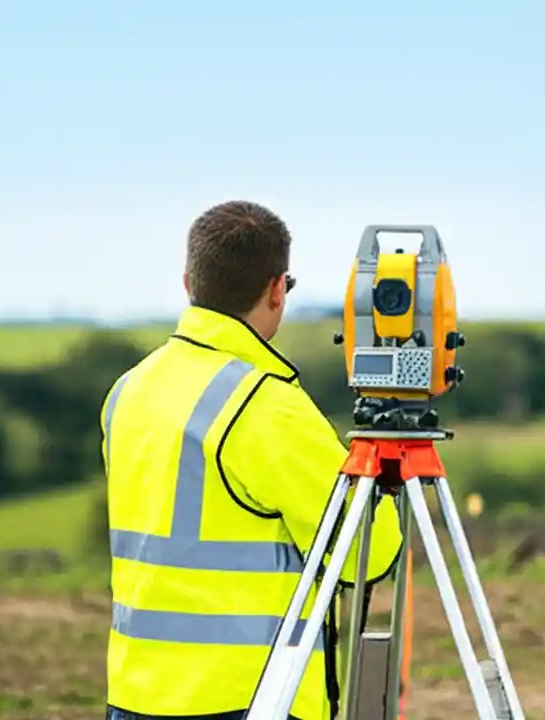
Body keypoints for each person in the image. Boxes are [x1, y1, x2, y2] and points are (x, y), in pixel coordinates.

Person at [99, 200, 403, 720]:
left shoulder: (128, 391)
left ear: (188, 283)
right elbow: (367, 552)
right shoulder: (267, 406)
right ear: (277, 289)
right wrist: (386, 485)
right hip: (251, 696)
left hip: (135, 694)